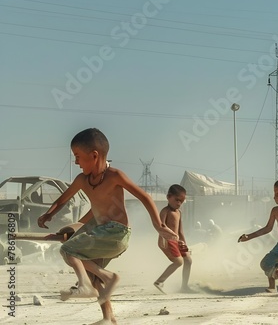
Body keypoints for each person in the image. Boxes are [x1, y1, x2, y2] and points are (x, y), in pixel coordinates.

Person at [37, 128, 177, 325]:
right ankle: (108, 318)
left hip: (117, 233)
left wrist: (158, 225)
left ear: (94, 155)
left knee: (68, 251)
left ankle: (96, 282)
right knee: (93, 275)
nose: (75, 162)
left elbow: (145, 197)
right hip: (103, 234)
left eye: (77, 156)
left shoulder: (114, 176)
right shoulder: (83, 180)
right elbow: (63, 200)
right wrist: (49, 215)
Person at [153, 184, 193, 293]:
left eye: (181, 201)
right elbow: (161, 226)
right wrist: (171, 236)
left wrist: (184, 244)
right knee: (178, 262)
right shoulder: (165, 211)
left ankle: (184, 287)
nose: (179, 203)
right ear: (168, 197)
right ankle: (159, 282)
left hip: (177, 241)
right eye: (177, 200)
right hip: (167, 241)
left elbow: (180, 231)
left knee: (188, 260)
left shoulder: (179, 213)